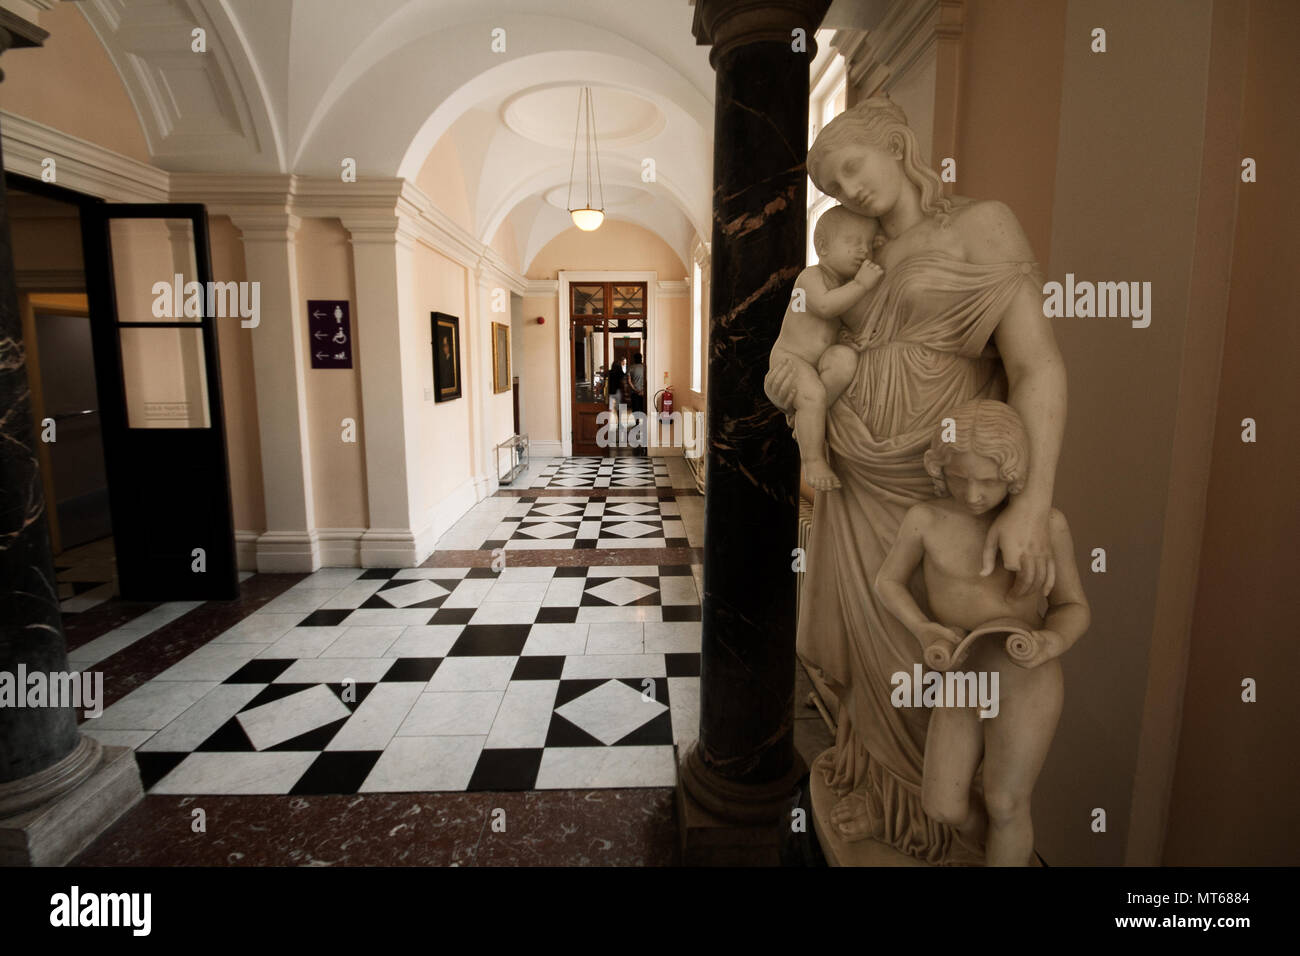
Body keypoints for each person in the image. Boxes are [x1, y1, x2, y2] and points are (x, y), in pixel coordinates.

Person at [764, 95, 1068, 864]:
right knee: (877, 660)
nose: (848, 190)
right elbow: (803, 345)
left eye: (854, 167)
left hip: (949, 488)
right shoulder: (848, 260)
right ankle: (884, 797)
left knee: (948, 659)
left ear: (896, 145)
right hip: (860, 482)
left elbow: (1036, 367)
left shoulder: (979, 225)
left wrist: (1031, 504)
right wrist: (788, 378)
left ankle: (953, 829)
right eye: (832, 186)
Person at [874, 399, 1089, 866]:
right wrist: (924, 628)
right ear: (941, 467)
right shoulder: (927, 520)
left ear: (1012, 473)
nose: (973, 494)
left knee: (1007, 802)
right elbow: (887, 582)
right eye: (959, 478)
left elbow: (1073, 607)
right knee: (943, 805)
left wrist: (1052, 641)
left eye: (989, 481)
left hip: (1025, 678)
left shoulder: (1044, 528)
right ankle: (991, 852)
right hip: (961, 674)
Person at [769, 206, 884, 490]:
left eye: (868, 244)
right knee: (813, 393)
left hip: (818, 363)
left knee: (845, 361)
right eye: (853, 242)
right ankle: (812, 459)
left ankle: (805, 416)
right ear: (822, 246)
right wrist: (861, 284)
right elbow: (824, 306)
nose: (863, 251)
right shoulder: (810, 277)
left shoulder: (846, 286)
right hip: (791, 360)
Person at [627, 352, 647, 453]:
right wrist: (643, 390)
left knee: (635, 408)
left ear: (634, 359)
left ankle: (637, 422)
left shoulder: (631, 368)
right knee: (643, 408)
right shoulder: (645, 367)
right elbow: (647, 379)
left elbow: (629, 381)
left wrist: (635, 389)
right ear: (641, 358)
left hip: (635, 392)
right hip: (644, 392)